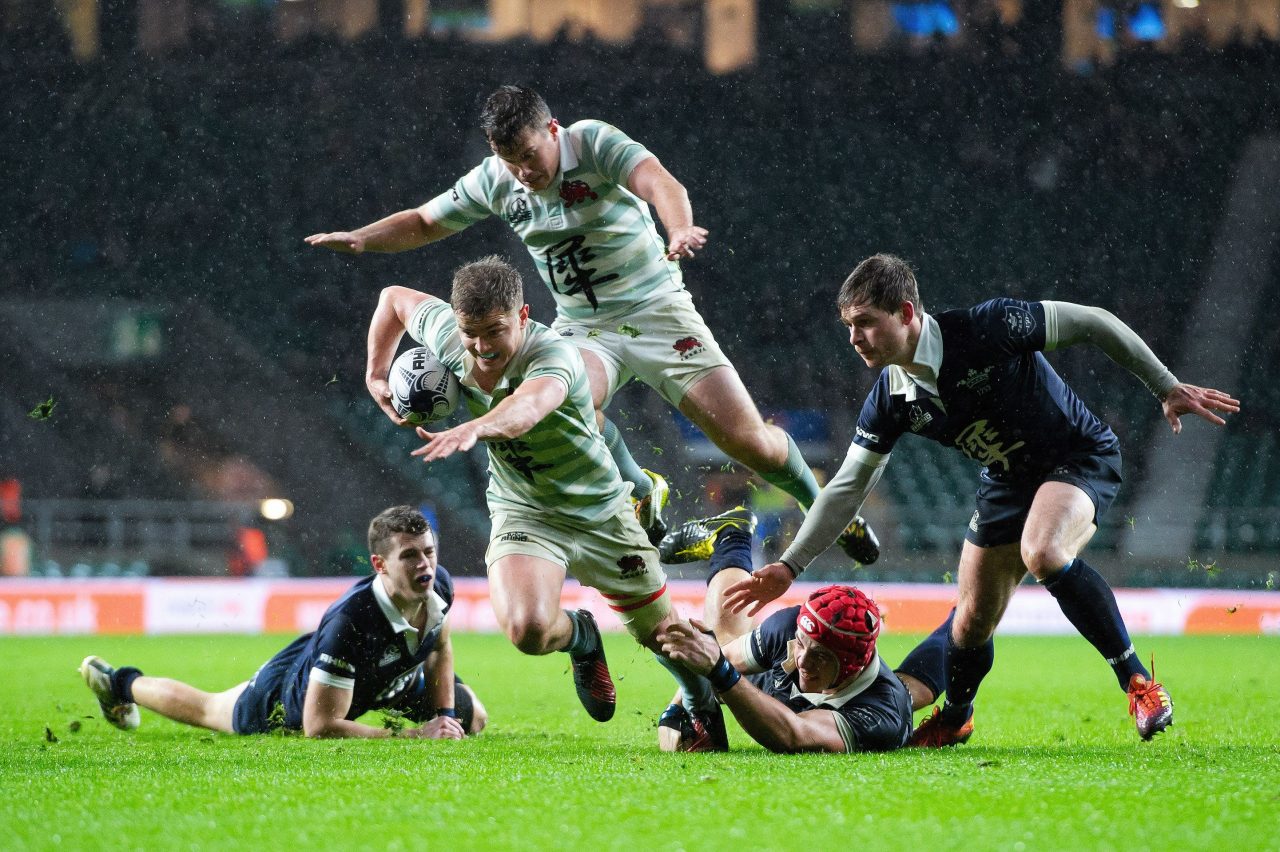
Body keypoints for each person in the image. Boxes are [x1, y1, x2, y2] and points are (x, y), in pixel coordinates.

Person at [305, 84, 878, 563]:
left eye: (530, 155)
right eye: (510, 160)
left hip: (658, 311)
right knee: (560, 405)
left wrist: (679, 227)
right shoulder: (496, 179)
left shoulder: (592, 142)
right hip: (584, 328)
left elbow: (660, 182)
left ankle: (823, 504)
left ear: (552, 130)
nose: (523, 172)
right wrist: (362, 239)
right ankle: (641, 488)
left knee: (747, 441)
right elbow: (426, 221)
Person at [720, 254, 1241, 744]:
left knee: (1043, 552)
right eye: (848, 327)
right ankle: (957, 716)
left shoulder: (989, 327)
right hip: (1006, 482)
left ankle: (1138, 683)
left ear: (906, 313)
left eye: (865, 323)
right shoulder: (890, 398)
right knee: (970, 621)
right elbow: (847, 488)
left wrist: (1165, 386)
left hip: (1078, 456)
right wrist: (789, 566)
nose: (854, 338)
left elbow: (1093, 321)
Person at [365, 256, 722, 732]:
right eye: (471, 332)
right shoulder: (450, 335)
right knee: (526, 631)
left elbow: (527, 409)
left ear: (523, 316)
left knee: (663, 635)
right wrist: (375, 373)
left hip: (600, 510)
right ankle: (581, 637)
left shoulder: (554, 357)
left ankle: (699, 704)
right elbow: (392, 299)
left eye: (495, 331)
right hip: (524, 509)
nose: (481, 346)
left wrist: (475, 427)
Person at [79, 506, 487, 739]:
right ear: (379, 565)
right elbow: (318, 725)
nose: (425, 564)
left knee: (474, 718)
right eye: (410, 556)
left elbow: (440, 647)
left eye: (429, 552)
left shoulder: (439, 583)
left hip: (386, 678)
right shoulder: (351, 622)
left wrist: (445, 717)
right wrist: (413, 736)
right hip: (292, 692)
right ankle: (120, 683)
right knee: (211, 709)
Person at [656, 510, 967, 753]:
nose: (803, 659)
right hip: (778, 686)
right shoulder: (790, 628)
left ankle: (970, 613)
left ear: (850, 665)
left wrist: (719, 673)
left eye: (820, 655)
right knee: (725, 639)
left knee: (914, 690)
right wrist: (681, 706)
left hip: (857, 702)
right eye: (803, 644)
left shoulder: (880, 715)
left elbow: (793, 734)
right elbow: (713, 656)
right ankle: (731, 536)